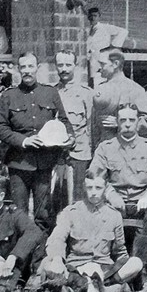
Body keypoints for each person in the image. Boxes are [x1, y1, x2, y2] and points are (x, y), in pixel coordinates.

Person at [0, 51, 74, 231]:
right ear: (17, 70)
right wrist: (23, 140)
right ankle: (19, 255)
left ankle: (41, 256)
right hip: (19, 163)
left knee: (44, 214)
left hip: (45, 164)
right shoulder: (9, 96)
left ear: (37, 68)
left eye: (31, 66)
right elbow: (0, 127)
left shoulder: (50, 92)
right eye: (23, 67)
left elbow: (64, 121)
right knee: (18, 213)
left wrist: (68, 138)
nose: (27, 71)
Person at [39, 168, 142, 292]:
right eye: (89, 187)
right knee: (49, 265)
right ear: (84, 187)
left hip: (104, 268)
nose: (93, 192)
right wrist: (58, 259)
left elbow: (120, 251)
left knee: (136, 263)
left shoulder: (114, 216)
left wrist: (128, 270)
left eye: (98, 188)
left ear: (106, 188)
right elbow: (57, 238)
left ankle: (84, 287)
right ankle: (102, 288)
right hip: (76, 266)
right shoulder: (71, 212)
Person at [89, 103, 147, 268]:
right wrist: (110, 194)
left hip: (143, 200)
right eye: (123, 120)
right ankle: (112, 263)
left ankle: (140, 266)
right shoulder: (105, 148)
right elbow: (94, 177)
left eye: (132, 119)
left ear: (138, 122)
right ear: (117, 121)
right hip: (116, 201)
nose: (127, 123)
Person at [91, 47, 147, 146]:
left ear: (115, 64)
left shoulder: (134, 89)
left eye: (103, 64)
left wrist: (122, 123)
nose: (99, 67)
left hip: (125, 150)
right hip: (103, 150)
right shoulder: (101, 89)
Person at [55, 50, 94, 201]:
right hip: (56, 156)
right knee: (56, 200)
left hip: (79, 155)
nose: (64, 69)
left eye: (68, 65)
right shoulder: (51, 92)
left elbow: (92, 128)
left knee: (78, 199)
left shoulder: (86, 94)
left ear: (75, 66)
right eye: (60, 65)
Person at [86, 6, 127, 87]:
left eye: (95, 16)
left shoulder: (105, 27)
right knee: (92, 85)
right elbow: (86, 46)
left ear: (99, 16)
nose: (93, 18)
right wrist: (90, 36)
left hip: (103, 61)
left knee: (103, 83)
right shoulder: (87, 30)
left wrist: (114, 47)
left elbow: (123, 31)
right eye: (91, 16)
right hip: (91, 61)